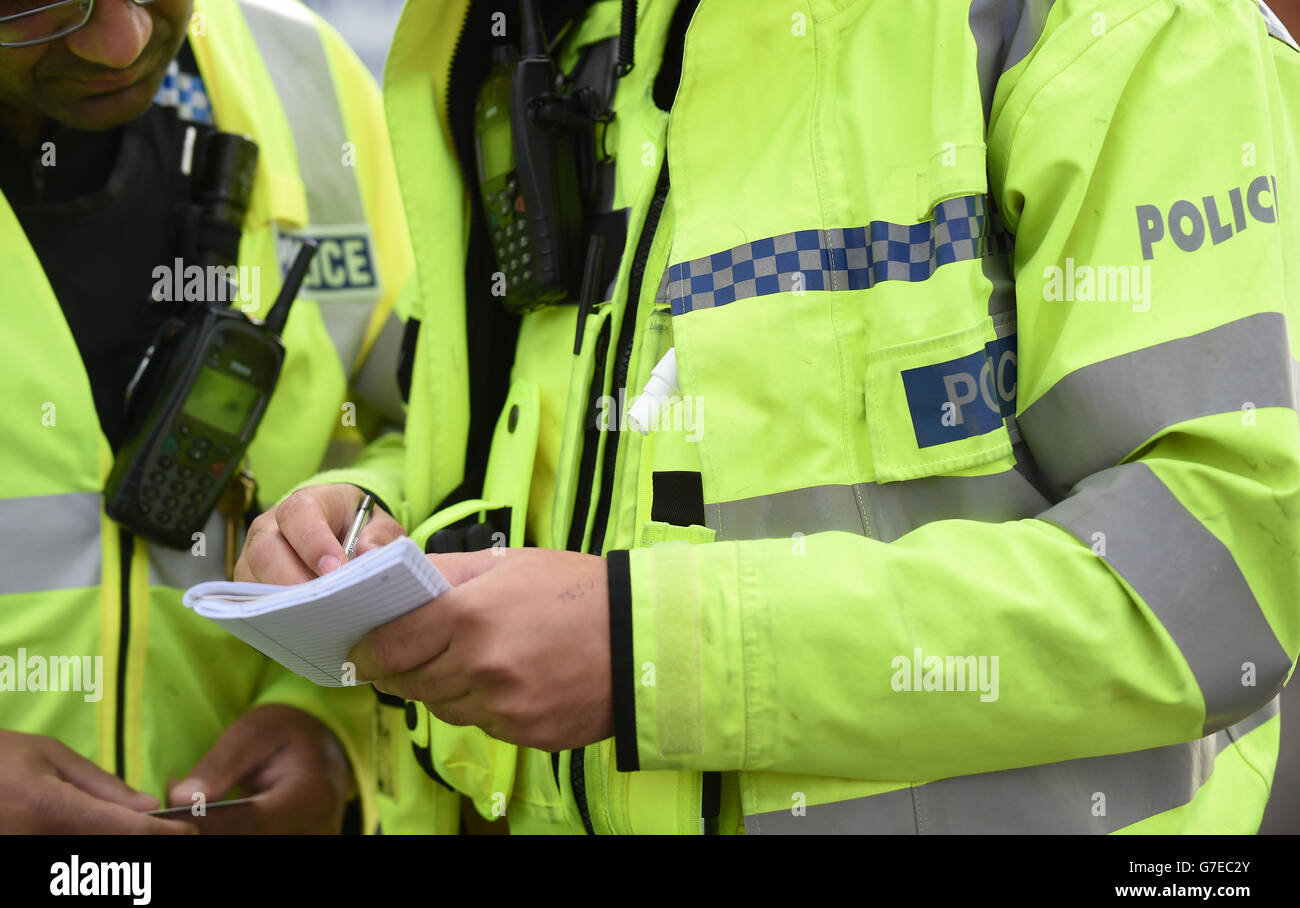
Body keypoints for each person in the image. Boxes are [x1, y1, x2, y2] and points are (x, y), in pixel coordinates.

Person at [240, 0, 1300, 834]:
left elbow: (1214, 574)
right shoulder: (549, 36)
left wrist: (646, 652)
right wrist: (361, 523)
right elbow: (500, 441)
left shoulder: (1116, 21)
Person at [0, 0, 411, 834]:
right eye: (33, 3)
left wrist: (335, 728)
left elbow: (440, 440)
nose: (123, 40)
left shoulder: (315, 79)